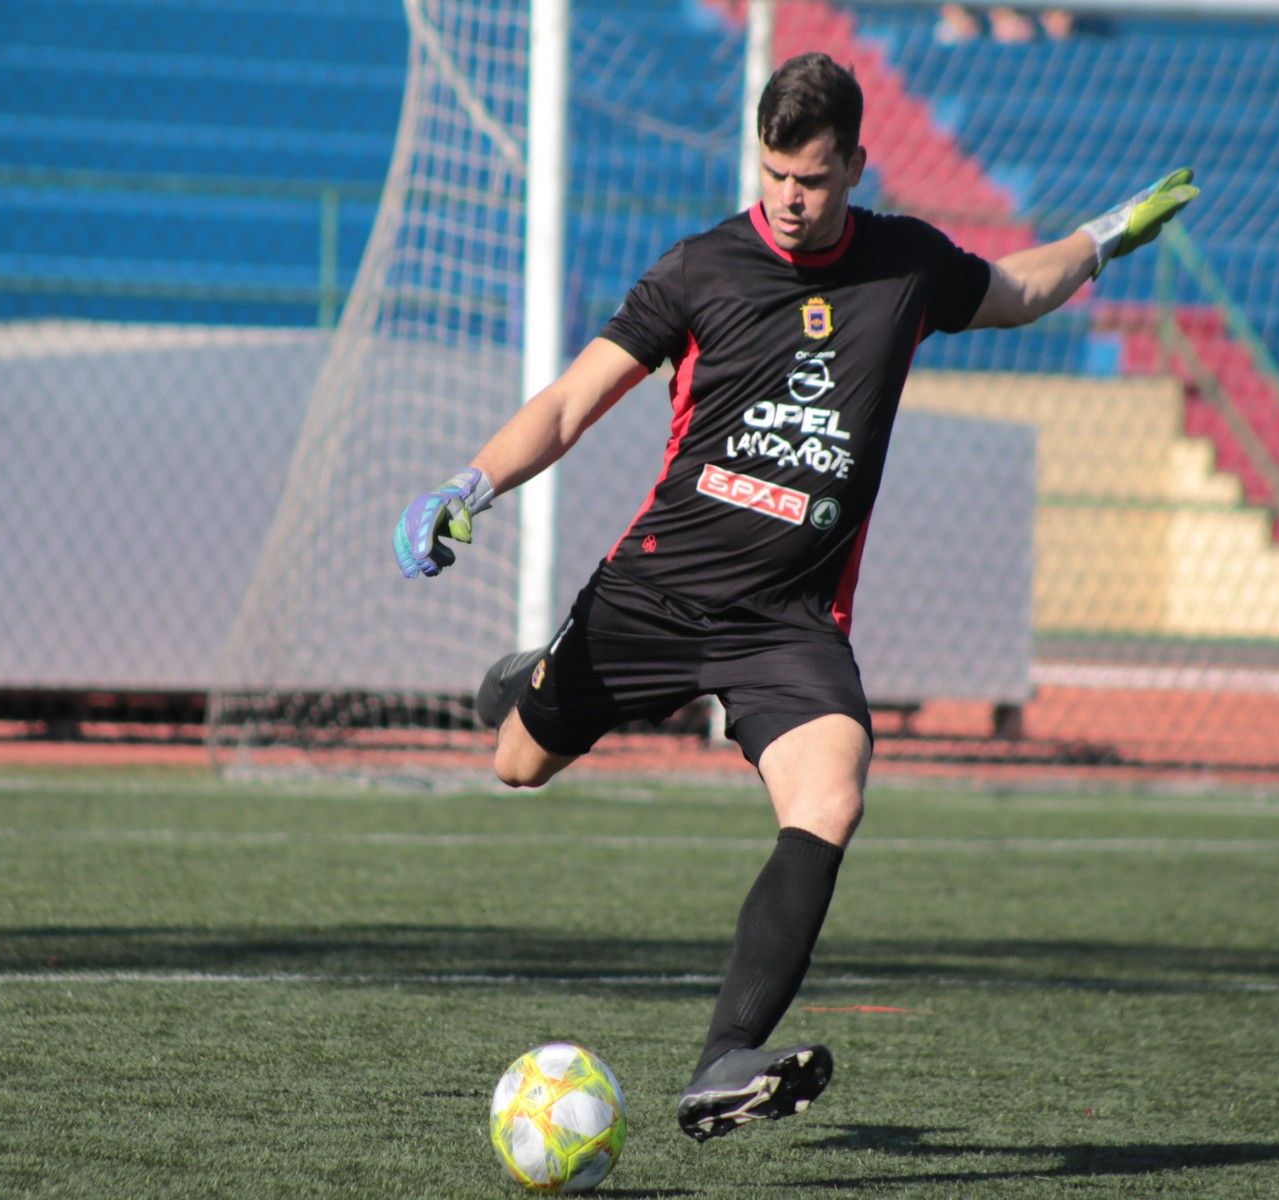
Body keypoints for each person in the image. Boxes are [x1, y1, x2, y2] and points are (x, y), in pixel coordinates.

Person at [393, 52, 1197, 1142]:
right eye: (772, 172)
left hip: (787, 620)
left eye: (810, 179)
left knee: (833, 791)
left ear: (853, 166)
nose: (786, 196)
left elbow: (1013, 290)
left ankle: (723, 1058)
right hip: (657, 587)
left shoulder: (904, 266)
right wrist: (469, 483)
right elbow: (574, 400)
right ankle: (538, 678)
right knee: (516, 764)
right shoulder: (700, 270)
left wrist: (1105, 235)